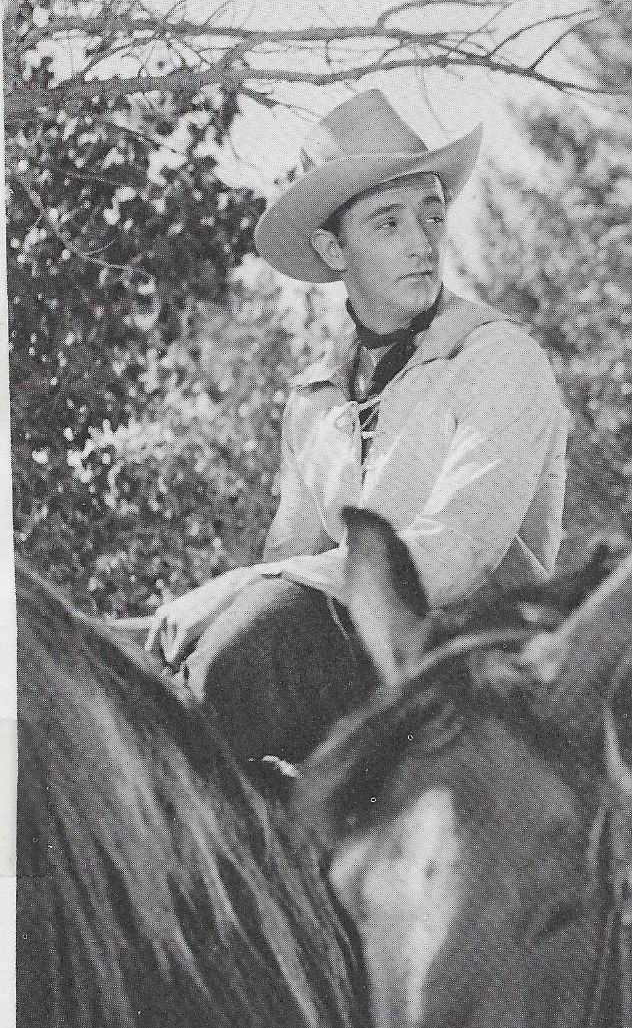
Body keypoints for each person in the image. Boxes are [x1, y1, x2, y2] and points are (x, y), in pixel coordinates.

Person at [147, 89, 569, 763]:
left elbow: (456, 553)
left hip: (483, 668)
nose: (422, 244)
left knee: (252, 645)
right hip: (354, 666)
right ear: (331, 248)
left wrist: (246, 591)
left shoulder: (497, 357)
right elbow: (287, 554)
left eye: (432, 217)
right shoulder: (315, 400)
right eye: (387, 223)